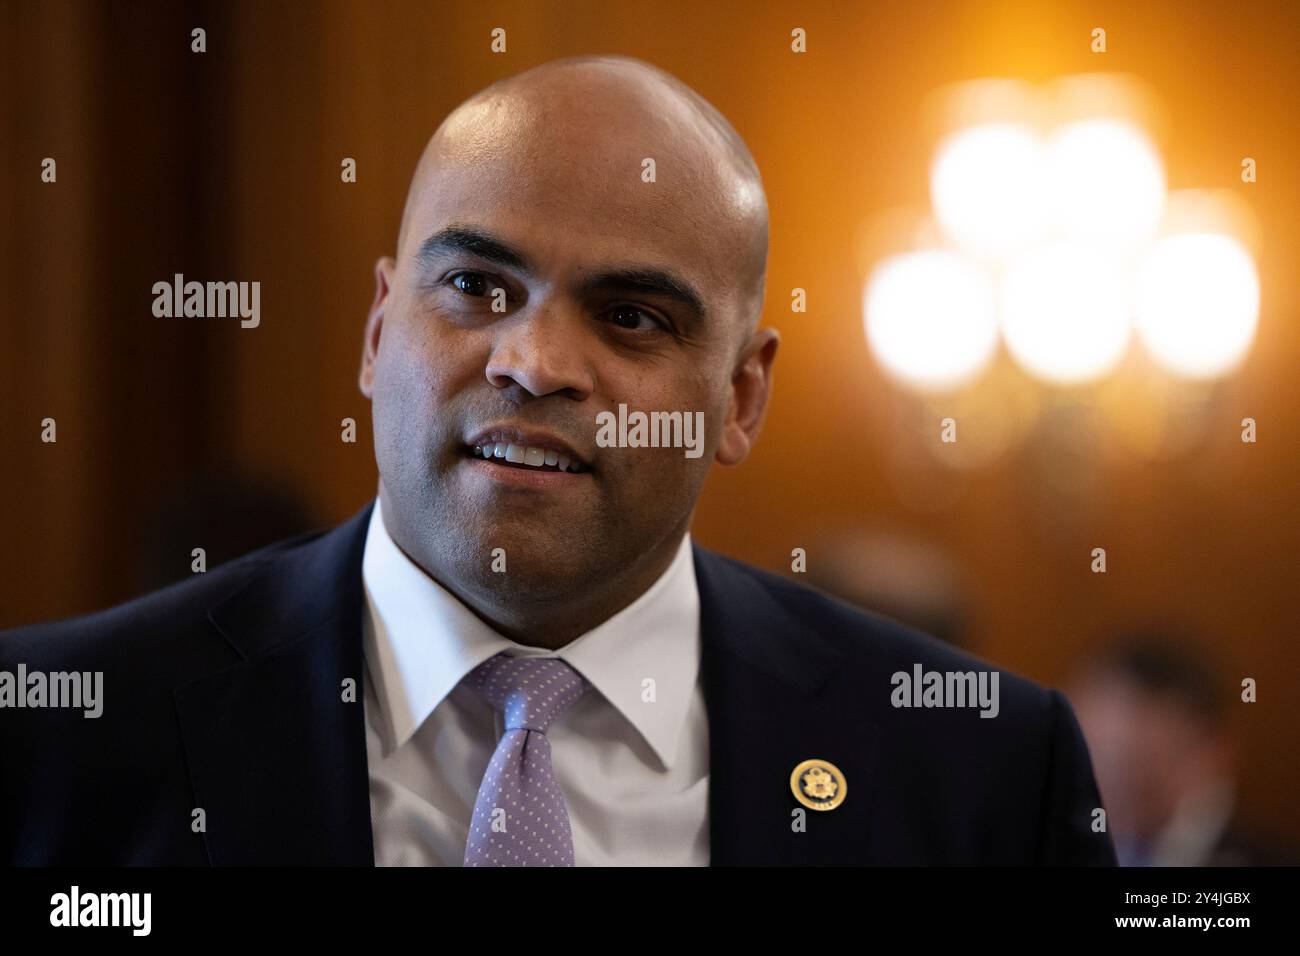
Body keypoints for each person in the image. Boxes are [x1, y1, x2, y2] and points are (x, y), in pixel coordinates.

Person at [0, 55, 1114, 866]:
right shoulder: (50, 735)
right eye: (477, 288)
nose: (533, 362)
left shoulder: (982, 774)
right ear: (379, 329)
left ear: (739, 397)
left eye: (630, 316)